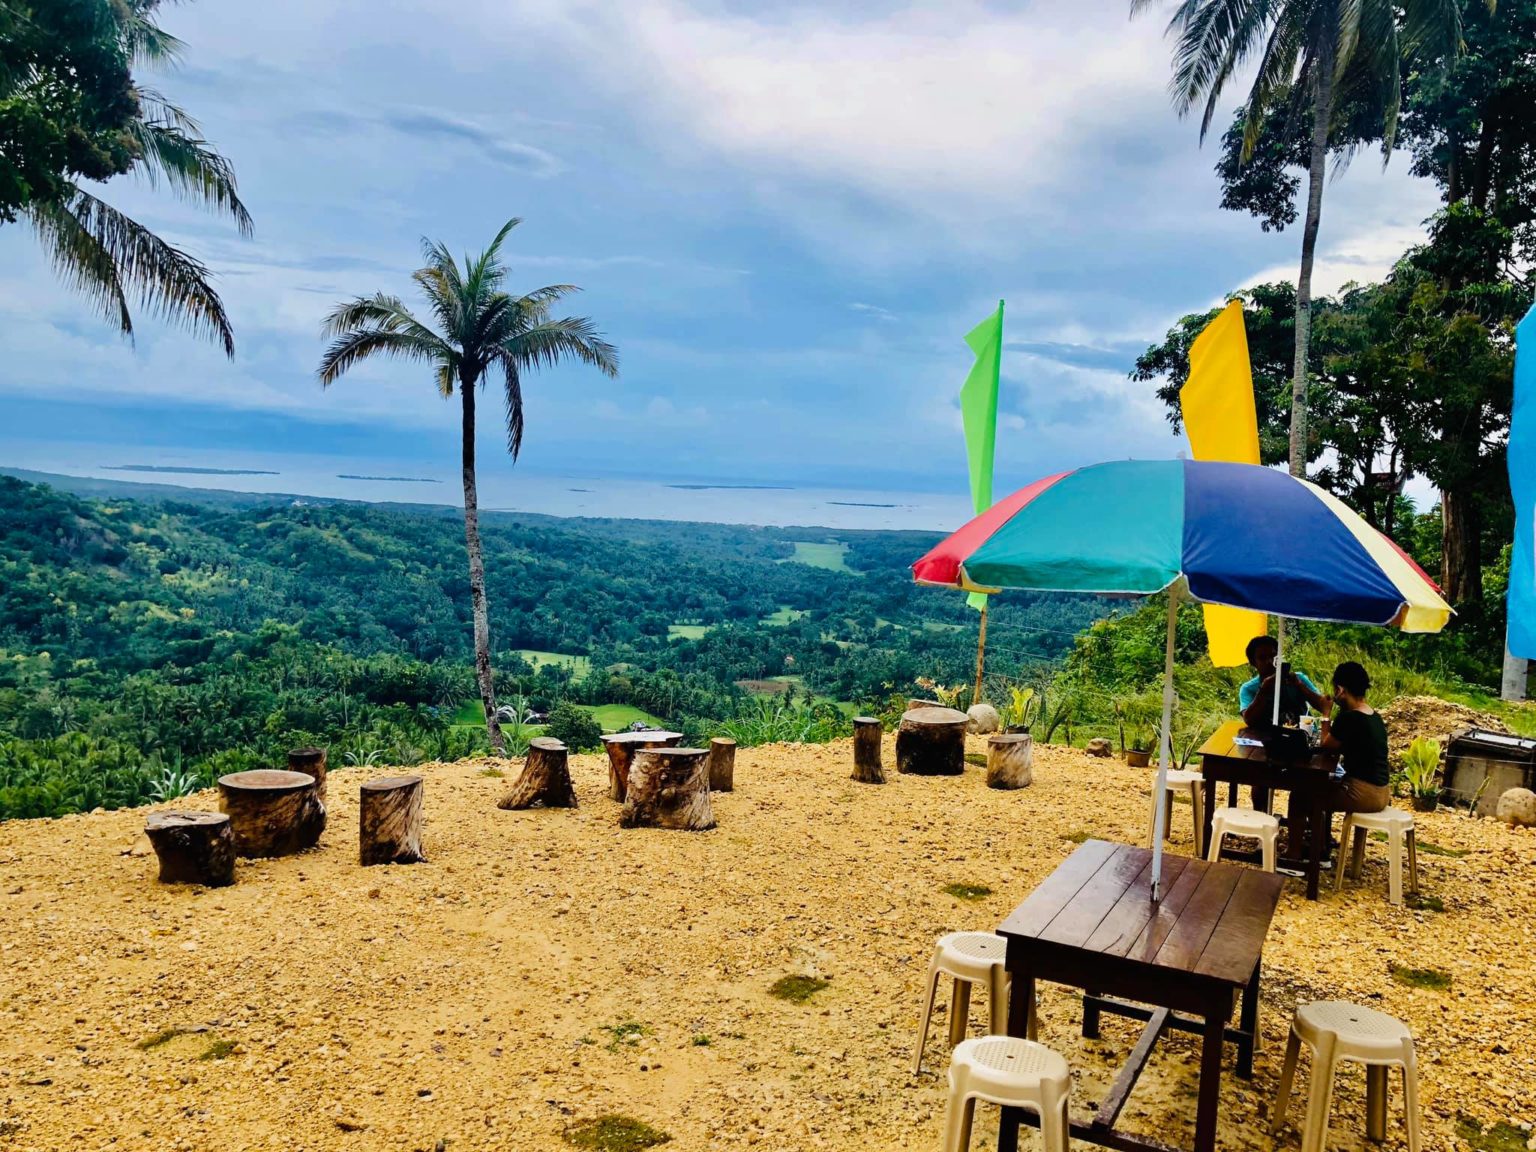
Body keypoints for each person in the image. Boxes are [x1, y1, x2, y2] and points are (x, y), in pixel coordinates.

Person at [1317, 661, 1391, 815]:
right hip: (1383, 793)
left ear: (1340, 690)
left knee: (1301, 798)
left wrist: (1326, 713)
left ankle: (1308, 832)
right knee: (1323, 789)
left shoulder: (1349, 718)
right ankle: (1319, 830)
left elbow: (1325, 746)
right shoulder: (1374, 716)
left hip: (1363, 794)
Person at [1238, 635, 1329, 728]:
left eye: (1273, 656)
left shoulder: (1297, 679)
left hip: (1303, 733)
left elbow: (1324, 706)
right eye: (1262, 658)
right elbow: (1248, 720)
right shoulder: (1248, 689)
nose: (1269, 661)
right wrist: (1264, 689)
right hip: (1269, 735)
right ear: (1253, 663)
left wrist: (1300, 686)